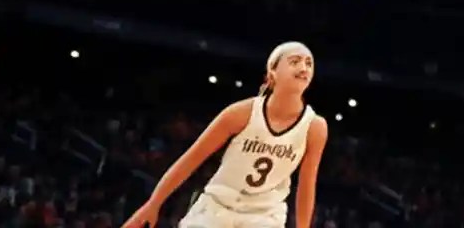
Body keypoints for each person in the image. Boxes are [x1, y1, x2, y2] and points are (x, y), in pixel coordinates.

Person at [120, 42, 329, 228]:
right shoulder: (240, 113)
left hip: (265, 215)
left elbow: (307, 184)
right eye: (295, 61)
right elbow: (191, 160)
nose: (304, 68)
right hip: (217, 206)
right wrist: (153, 204)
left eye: (309, 63)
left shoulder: (315, 127)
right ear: (272, 72)